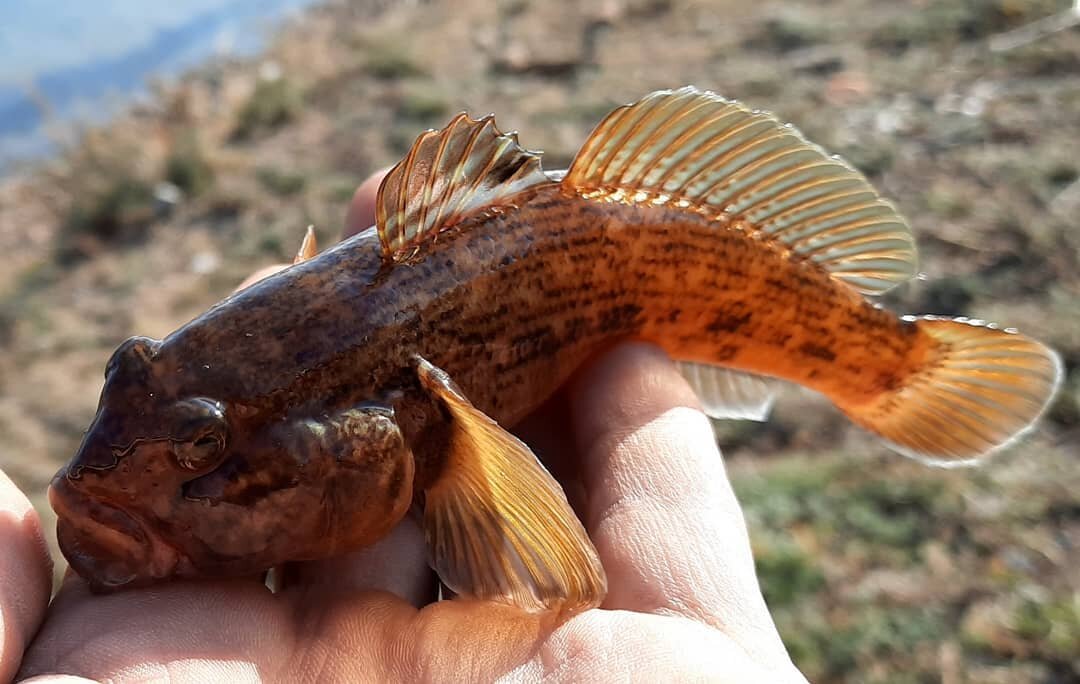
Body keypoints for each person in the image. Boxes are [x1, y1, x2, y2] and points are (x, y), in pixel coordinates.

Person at [1, 173, 807, 683]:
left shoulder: (423, 414)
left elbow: (534, 572)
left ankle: (890, 364)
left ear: (382, 420)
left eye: (202, 450)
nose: (87, 490)